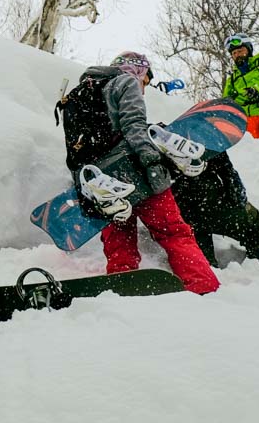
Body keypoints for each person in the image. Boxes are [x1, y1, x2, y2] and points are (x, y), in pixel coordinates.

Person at [58, 51, 219, 295]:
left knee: (119, 241)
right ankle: (204, 288)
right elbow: (134, 127)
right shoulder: (125, 82)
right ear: (137, 70)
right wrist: (153, 163)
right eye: (145, 81)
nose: (143, 88)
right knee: (174, 233)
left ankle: (125, 290)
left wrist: (86, 190)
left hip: (103, 184)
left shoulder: (81, 91)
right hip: (134, 172)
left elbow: (75, 150)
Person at [169, 151, 259, 267]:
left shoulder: (155, 139)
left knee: (199, 265)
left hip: (180, 214)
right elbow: (229, 176)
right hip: (215, 204)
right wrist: (237, 200)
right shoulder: (206, 139)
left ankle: (207, 270)